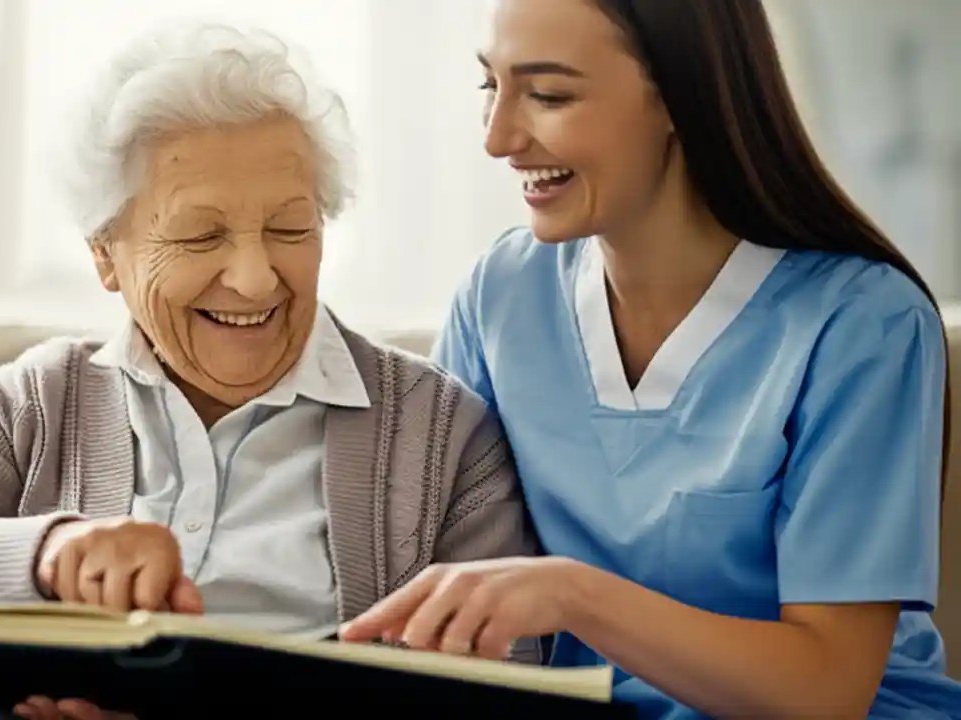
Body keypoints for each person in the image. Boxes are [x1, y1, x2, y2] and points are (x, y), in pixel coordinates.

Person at [0, 22, 539, 720]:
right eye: (202, 235)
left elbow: (507, 678)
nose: (256, 279)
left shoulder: (442, 430)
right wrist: (53, 552)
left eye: (291, 230)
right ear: (106, 254)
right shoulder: (37, 399)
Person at [338, 0, 961, 718]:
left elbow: (827, 690)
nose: (499, 137)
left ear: (679, 96)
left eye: (548, 95)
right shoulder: (500, 296)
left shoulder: (861, 325)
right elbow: (426, 571)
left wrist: (574, 594)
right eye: (491, 86)